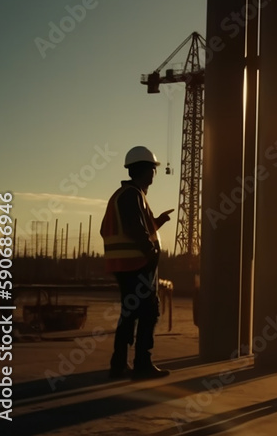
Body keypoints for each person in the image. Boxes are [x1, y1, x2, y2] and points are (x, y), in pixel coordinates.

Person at [101, 146, 173, 380]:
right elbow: (135, 230)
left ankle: (119, 364)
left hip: (128, 265)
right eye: (153, 169)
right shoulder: (132, 195)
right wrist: (151, 252)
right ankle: (141, 363)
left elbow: (138, 228)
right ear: (147, 171)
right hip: (136, 266)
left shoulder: (127, 195)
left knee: (130, 314)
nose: (155, 173)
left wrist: (158, 222)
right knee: (148, 312)